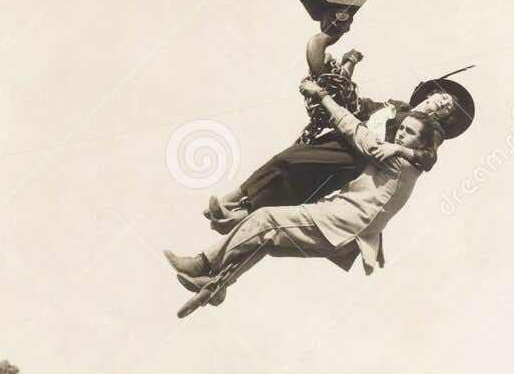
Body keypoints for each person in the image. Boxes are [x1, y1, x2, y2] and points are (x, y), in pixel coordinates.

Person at [164, 79, 443, 306]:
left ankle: (202, 263)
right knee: (267, 238)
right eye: (402, 130)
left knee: (265, 220)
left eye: (409, 133)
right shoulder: (402, 152)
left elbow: (353, 128)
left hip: (339, 222)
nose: (401, 135)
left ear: (421, 141)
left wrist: (320, 94)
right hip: (346, 235)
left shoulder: (397, 157)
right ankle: (219, 284)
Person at [203, 32, 474, 233]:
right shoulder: (390, 107)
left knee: (289, 162)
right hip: (343, 141)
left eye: (443, 106)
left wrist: (397, 148)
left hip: (359, 158)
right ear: (427, 95)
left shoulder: (430, 131)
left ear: (442, 116)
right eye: (437, 97)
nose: (436, 103)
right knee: (293, 178)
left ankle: (234, 205)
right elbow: (354, 105)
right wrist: (347, 65)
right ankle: (235, 213)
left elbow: (428, 158)